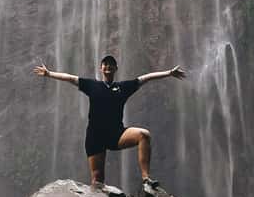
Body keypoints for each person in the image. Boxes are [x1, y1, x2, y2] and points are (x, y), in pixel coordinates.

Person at [33, 55, 185, 188]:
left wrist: (169, 73)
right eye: (105, 64)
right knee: (97, 179)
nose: (108, 66)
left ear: (115, 68)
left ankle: (146, 179)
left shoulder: (123, 87)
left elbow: (146, 78)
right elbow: (71, 78)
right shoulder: (92, 85)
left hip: (116, 134)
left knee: (143, 135)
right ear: (101, 68)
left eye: (111, 64)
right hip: (95, 137)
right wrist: (49, 74)